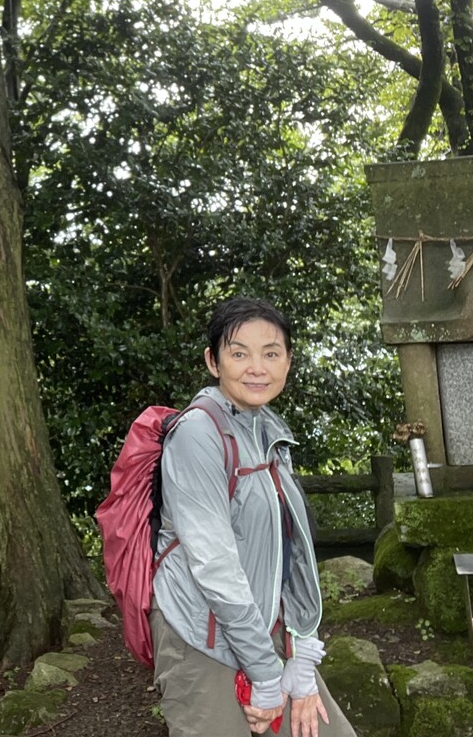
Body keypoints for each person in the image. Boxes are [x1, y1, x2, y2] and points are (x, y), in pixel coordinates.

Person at [151, 297, 358, 737]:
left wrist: (301, 656)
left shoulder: (267, 431)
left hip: (267, 631)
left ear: (288, 360)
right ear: (213, 361)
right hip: (201, 638)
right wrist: (265, 673)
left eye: (271, 353)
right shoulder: (197, 435)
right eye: (239, 352)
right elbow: (214, 565)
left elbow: (291, 552)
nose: (256, 367)